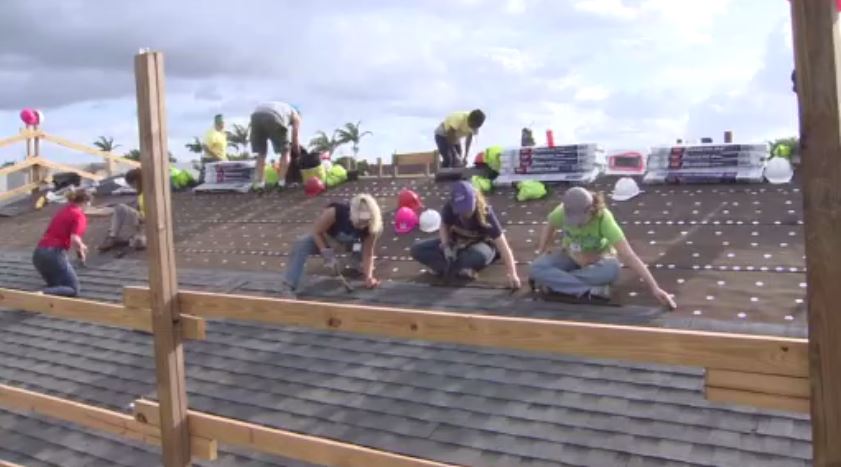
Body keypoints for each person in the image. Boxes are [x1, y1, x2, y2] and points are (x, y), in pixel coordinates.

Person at [530, 187, 676, 308]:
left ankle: (558, 284)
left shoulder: (604, 219)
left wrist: (654, 287)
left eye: (581, 220)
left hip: (597, 259)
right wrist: (545, 247)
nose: (578, 224)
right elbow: (550, 224)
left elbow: (628, 255)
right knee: (537, 267)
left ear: (591, 210)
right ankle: (588, 290)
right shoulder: (562, 210)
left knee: (611, 270)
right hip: (570, 255)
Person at [410, 181, 521, 289]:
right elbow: (444, 225)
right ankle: (456, 268)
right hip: (456, 244)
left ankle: (448, 267)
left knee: (477, 257)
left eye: (467, 210)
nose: (465, 214)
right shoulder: (449, 208)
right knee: (417, 249)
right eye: (461, 211)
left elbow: (503, 246)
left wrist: (513, 274)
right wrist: (446, 246)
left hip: (478, 246)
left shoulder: (486, 212)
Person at [283, 194, 383, 293]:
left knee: (360, 255)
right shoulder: (334, 212)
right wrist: (328, 256)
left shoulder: (372, 226)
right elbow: (316, 232)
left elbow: (368, 253)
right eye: (359, 223)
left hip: (353, 244)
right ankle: (289, 284)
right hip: (328, 240)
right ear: (351, 214)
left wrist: (369, 277)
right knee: (301, 244)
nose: (362, 227)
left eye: (365, 223)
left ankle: (355, 265)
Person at [32, 188, 91, 297]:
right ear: (85, 202)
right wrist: (82, 247)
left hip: (39, 253)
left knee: (57, 286)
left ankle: (41, 295)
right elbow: (75, 238)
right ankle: (40, 294)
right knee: (73, 289)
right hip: (53, 254)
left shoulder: (64, 210)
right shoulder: (78, 215)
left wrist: (80, 249)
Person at [250, 101, 301, 190]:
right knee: (285, 151)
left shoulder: (282, 107)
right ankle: (281, 183)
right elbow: (295, 136)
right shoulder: (295, 114)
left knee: (261, 153)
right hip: (273, 116)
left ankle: (260, 184)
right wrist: (297, 151)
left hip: (255, 116)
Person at [98, 168, 146, 252]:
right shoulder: (141, 193)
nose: (132, 187)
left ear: (135, 182)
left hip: (147, 224)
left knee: (120, 207)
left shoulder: (147, 194)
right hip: (141, 221)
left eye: (131, 184)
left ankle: (115, 236)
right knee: (120, 207)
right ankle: (113, 237)